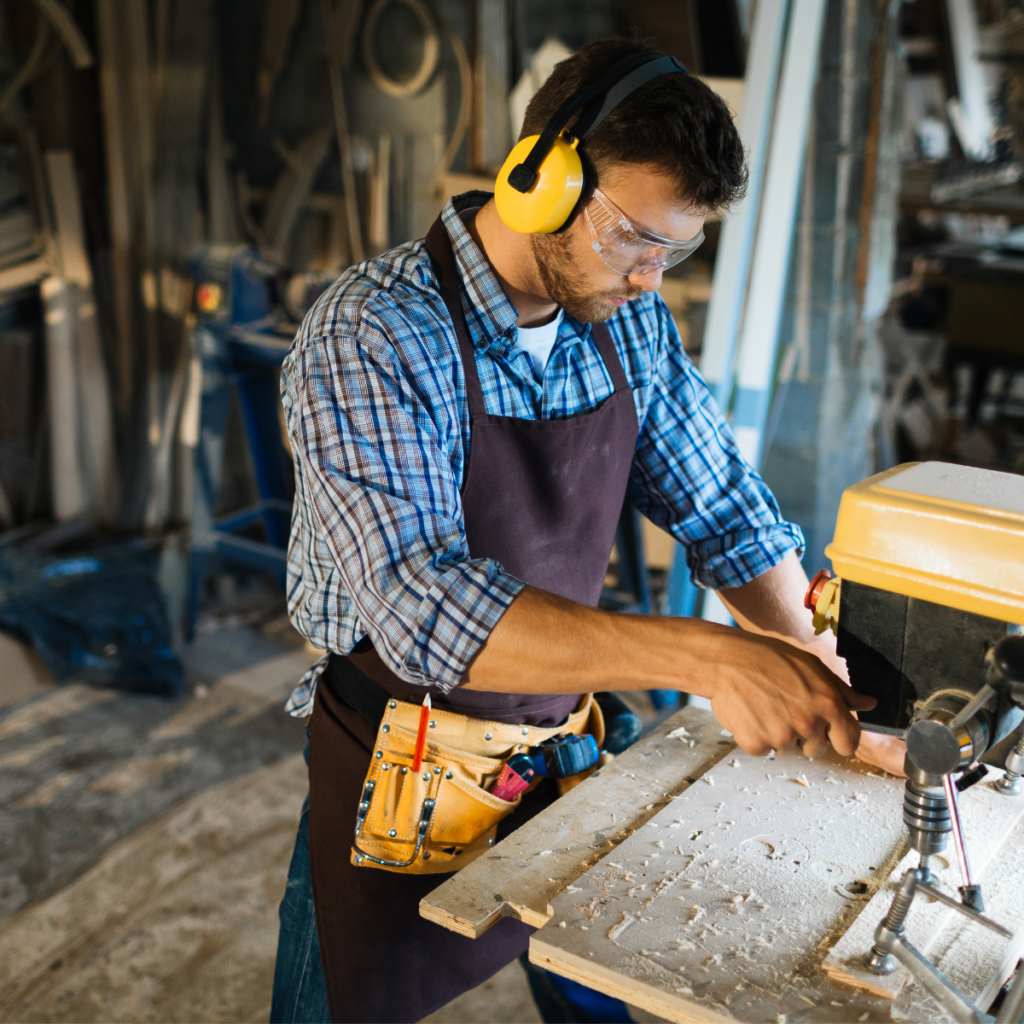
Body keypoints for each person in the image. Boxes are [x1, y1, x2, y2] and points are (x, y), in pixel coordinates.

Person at [270, 35, 905, 1024]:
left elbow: (723, 507)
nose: (652, 278)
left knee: (596, 980)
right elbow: (425, 612)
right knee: (342, 1003)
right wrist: (709, 658)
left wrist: (829, 687)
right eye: (632, 238)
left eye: (677, 249)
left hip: (558, 734)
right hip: (401, 761)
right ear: (539, 182)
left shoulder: (625, 323)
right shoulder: (374, 333)